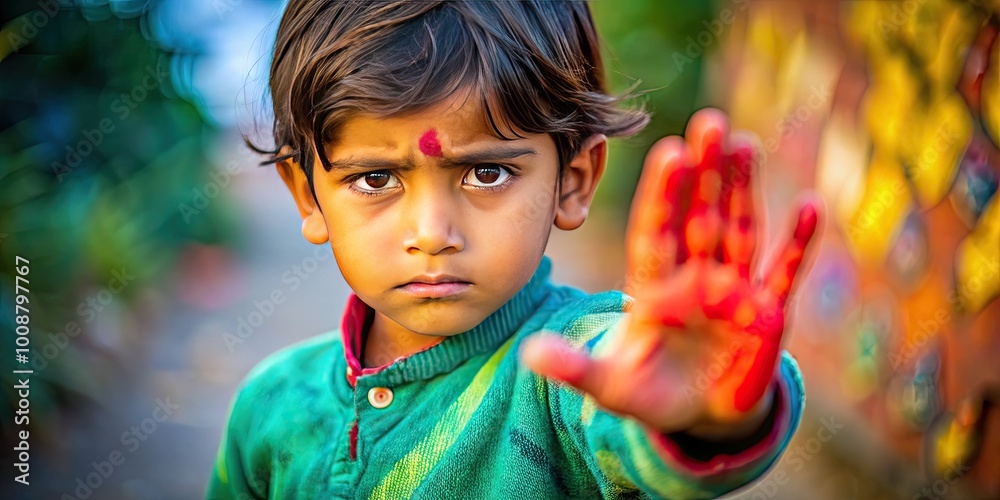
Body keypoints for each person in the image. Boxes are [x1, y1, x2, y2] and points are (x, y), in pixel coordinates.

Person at [207, 1, 820, 498]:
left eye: (488, 174)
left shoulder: (568, 372)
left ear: (573, 181)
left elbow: (626, 400)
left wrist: (705, 409)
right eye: (374, 179)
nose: (432, 232)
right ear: (308, 195)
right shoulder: (272, 404)